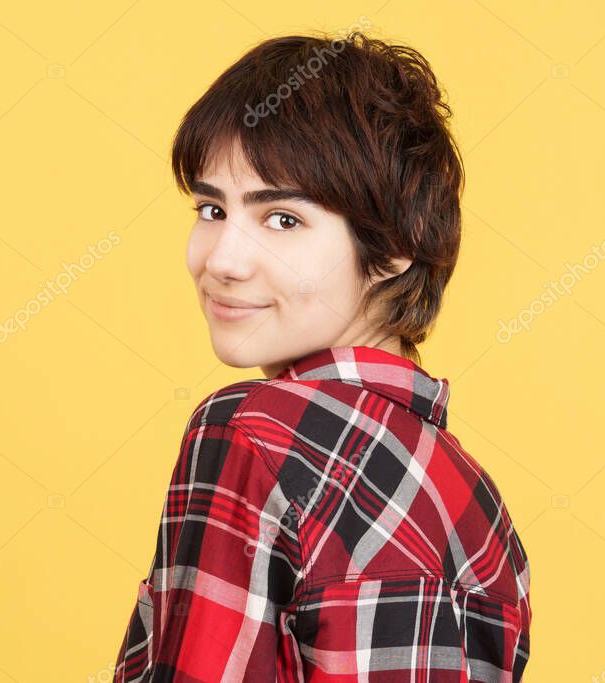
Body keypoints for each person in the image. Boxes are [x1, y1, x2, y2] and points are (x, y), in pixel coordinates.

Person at [113, 30, 532, 682]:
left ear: (397, 244)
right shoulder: (476, 503)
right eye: (211, 208)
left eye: (282, 218)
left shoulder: (250, 433)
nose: (222, 259)